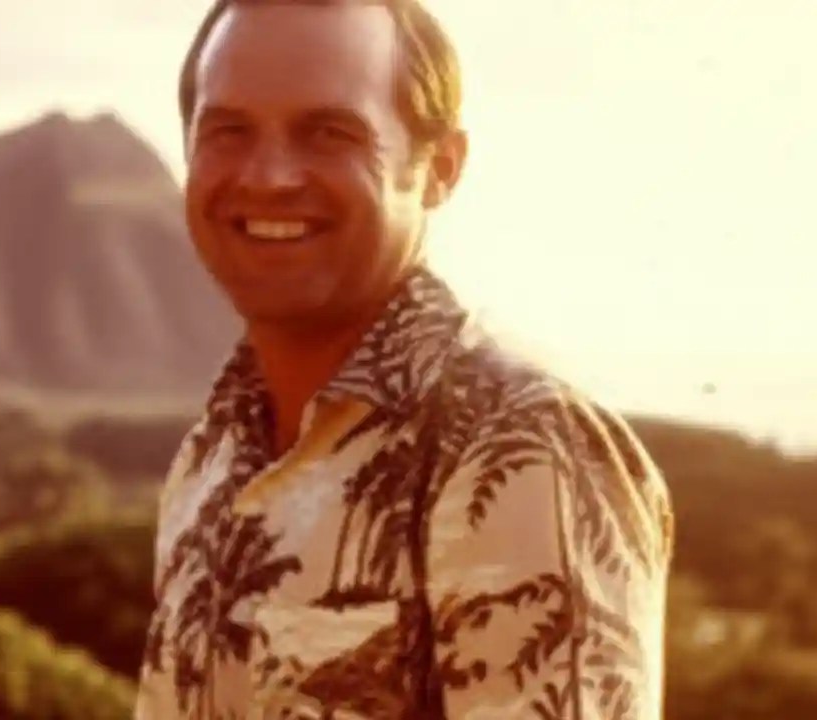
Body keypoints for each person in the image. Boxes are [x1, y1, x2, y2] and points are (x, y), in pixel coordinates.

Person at [135, 0, 674, 717]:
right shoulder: (211, 459)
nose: (267, 176)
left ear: (441, 168)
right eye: (228, 131)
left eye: (329, 133)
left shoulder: (521, 448)